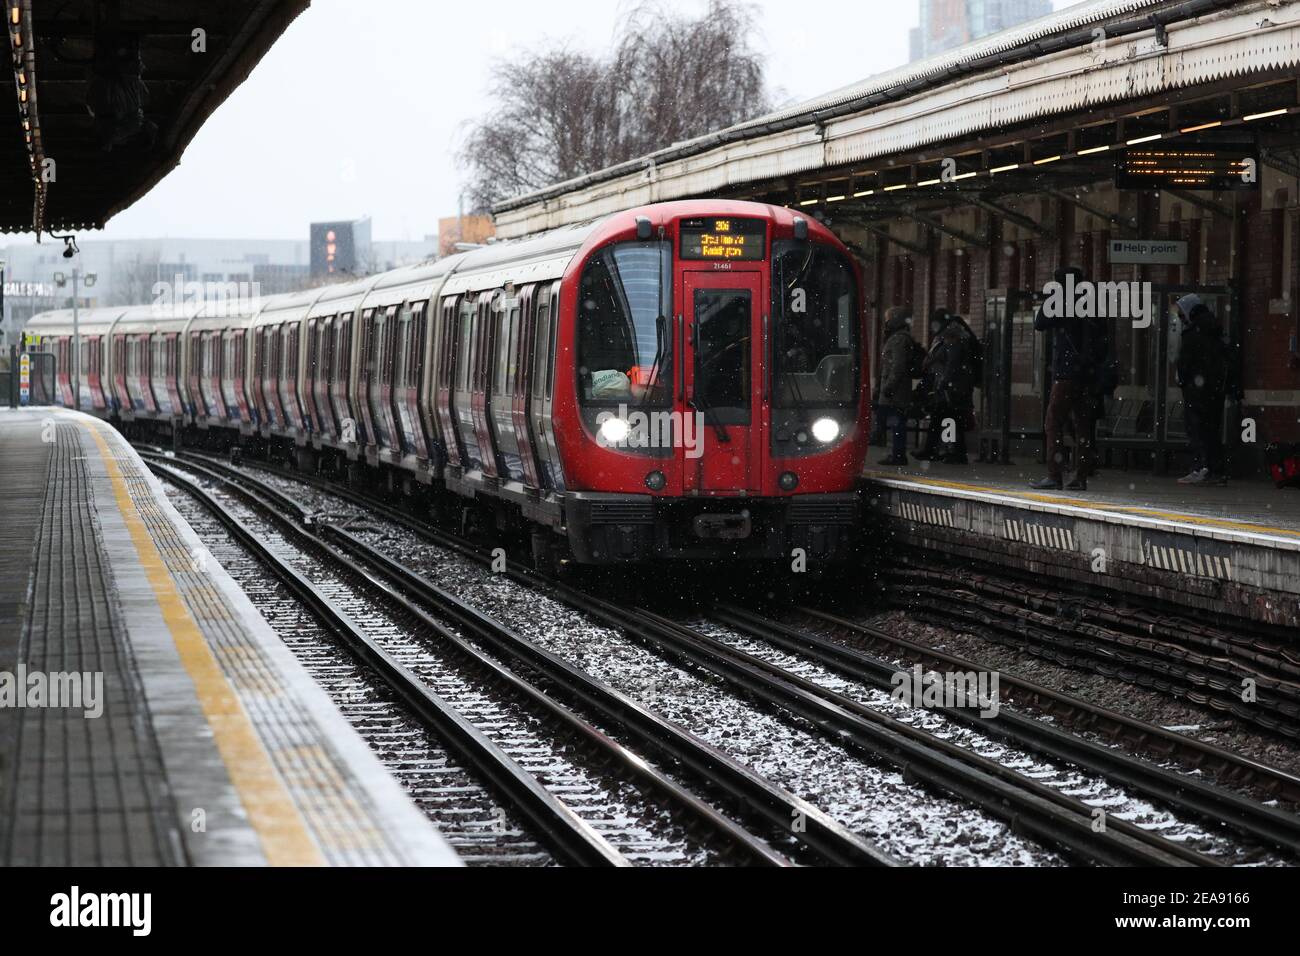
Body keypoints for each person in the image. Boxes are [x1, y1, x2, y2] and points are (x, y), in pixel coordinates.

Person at [1030, 266, 1096, 491]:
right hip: (1088, 374)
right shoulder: (1091, 300)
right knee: (1083, 426)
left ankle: (1054, 474)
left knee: (1053, 421)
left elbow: (1039, 323)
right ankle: (1081, 476)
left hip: (1067, 373)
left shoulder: (1061, 300)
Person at [1174, 293, 1228, 485]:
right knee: (1211, 431)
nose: (1180, 316)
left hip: (1196, 391)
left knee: (1197, 430)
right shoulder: (1214, 331)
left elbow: (1185, 362)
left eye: (1181, 312)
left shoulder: (1192, 333)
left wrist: (1183, 378)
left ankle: (1200, 467)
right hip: (1213, 389)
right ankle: (1215, 470)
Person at [916, 309, 975, 464]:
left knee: (950, 419)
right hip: (950, 387)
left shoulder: (952, 339)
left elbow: (952, 364)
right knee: (942, 418)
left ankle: (953, 452)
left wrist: (944, 383)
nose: (932, 327)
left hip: (952, 388)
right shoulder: (948, 338)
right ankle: (938, 450)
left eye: (935, 323)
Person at [875, 306, 918, 465]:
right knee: (895, 422)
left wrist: (888, 387)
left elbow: (898, 366)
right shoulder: (899, 337)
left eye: (888, 319)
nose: (885, 323)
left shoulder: (899, 339)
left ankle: (898, 455)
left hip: (895, 390)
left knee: (897, 422)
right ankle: (896, 453)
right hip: (895, 388)